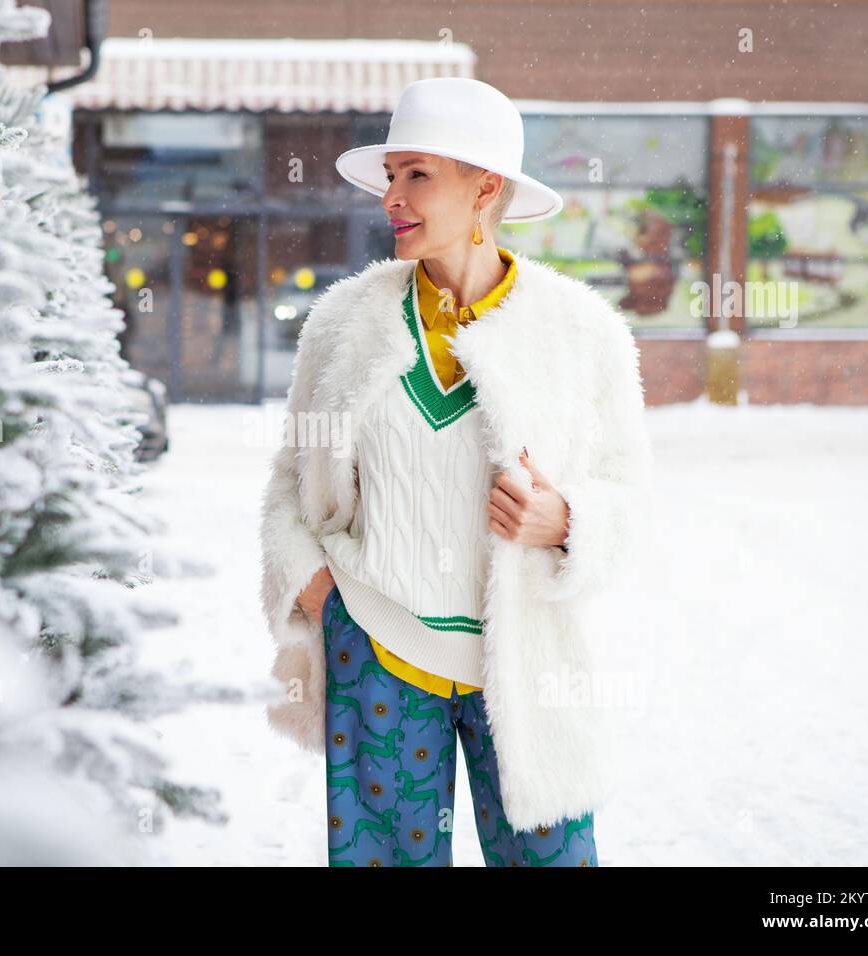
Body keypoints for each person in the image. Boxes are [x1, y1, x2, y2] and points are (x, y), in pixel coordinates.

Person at [259, 77, 655, 867]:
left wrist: (568, 522)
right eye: (391, 176)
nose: (392, 198)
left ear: (486, 189)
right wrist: (312, 585)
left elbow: (630, 498)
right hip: (375, 647)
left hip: (525, 662)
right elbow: (288, 482)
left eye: (418, 175)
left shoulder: (582, 333)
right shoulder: (343, 323)